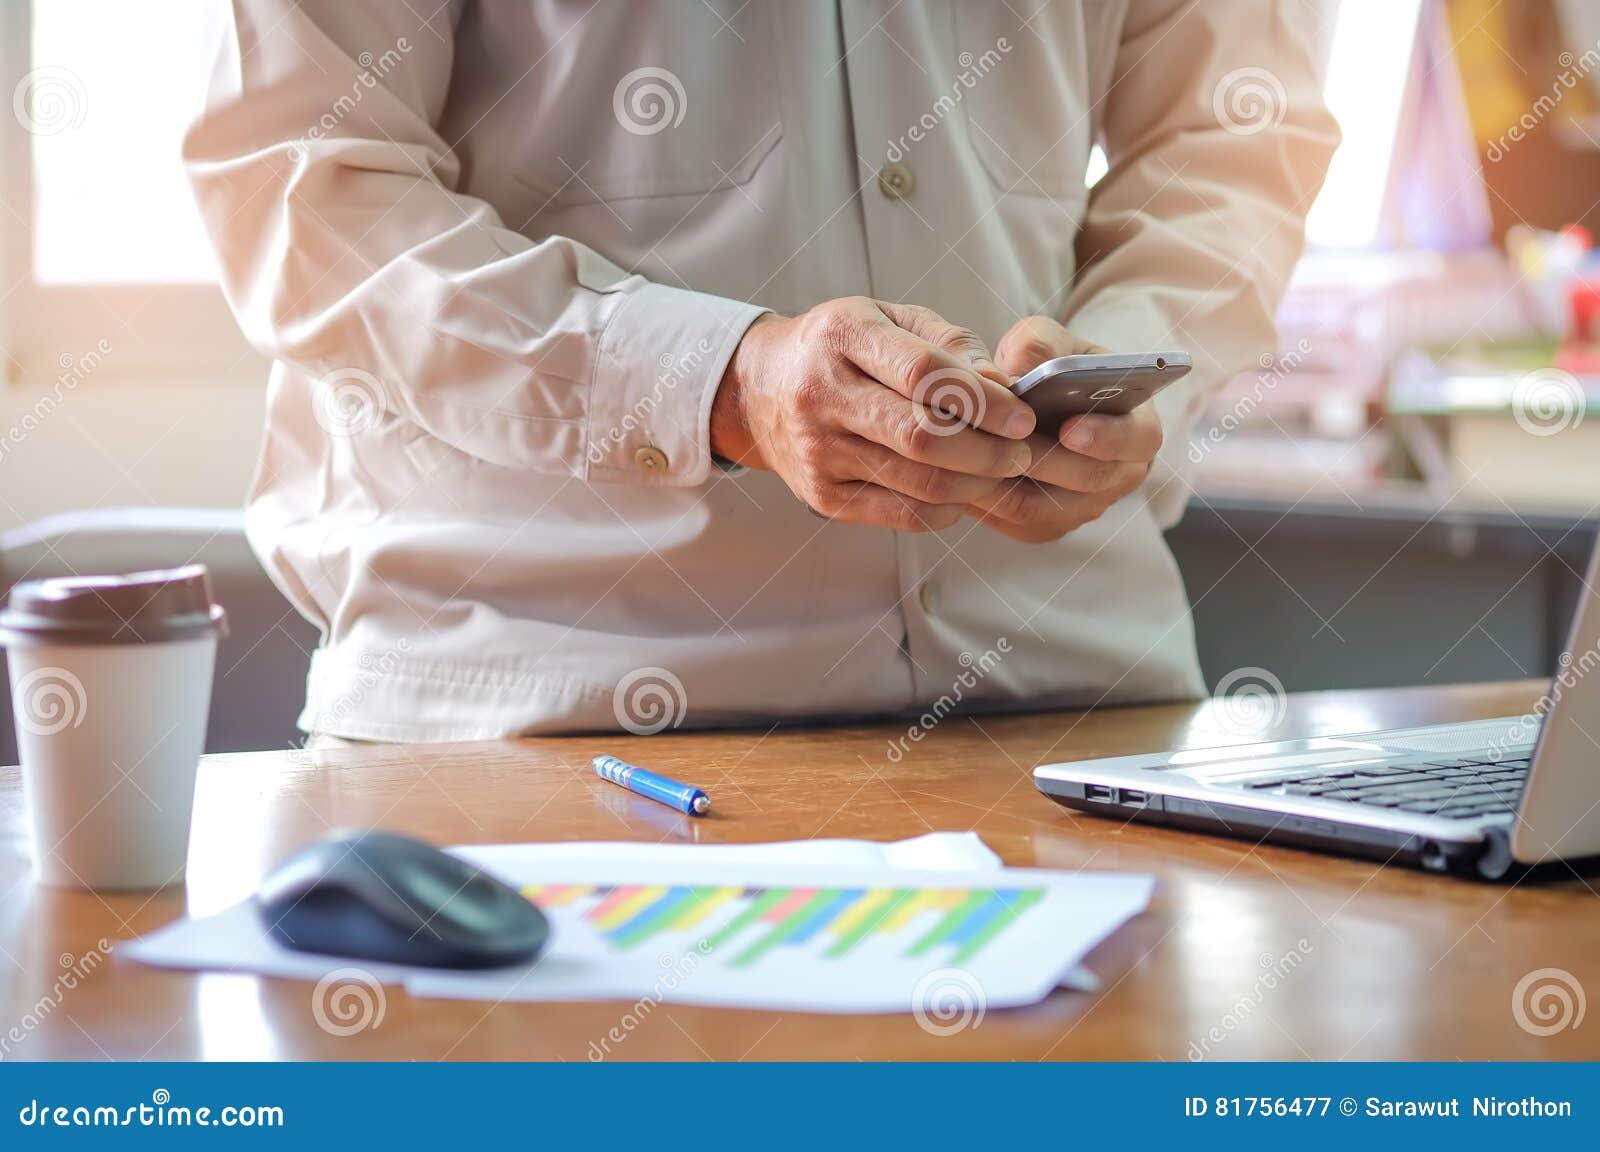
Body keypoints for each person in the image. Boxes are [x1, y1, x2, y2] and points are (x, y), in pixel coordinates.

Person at [184, 1, 1338, 742]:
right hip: (544, 720)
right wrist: (716, 384)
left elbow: (1230, 142)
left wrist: (1131, 366)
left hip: (1072, 705)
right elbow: (301, 182)